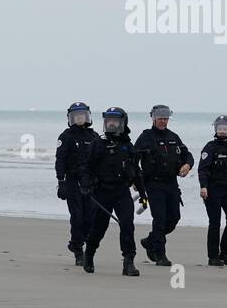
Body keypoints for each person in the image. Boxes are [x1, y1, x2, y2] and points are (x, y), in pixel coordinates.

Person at [81, 106, 141, 276]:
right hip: (102, 192)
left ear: (123, 123)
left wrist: (143, 193)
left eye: (115, 121)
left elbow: (136, 172)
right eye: (109, 122)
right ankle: (89, 254)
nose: (112, 124)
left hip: (122, 192)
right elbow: (87, 168)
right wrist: (86, 185)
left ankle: (128, 262)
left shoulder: (128, 146)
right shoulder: (97, 144)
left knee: (127, 224)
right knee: (99, 227)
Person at [134, 105, 194, 267]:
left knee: (174, 218)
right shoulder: (145, 136)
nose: (163, 121)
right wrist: (136, 179)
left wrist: (187, 165)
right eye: (160, 118)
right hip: (153, 184)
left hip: (171, 184)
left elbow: (187, 154)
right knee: (159, 219)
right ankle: (160, 254)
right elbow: (133, 159)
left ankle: (150, 240)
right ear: (153, 118)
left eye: (165, 118)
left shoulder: (173, 136)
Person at [55, 102, 99, 266]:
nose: (80, 119)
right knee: (77, 217)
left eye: (83, 115)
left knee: (90, 218)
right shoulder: (65, 136)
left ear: (87, 117)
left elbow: (100, 161)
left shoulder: (94, 136)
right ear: (71, 118)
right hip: (73, 182)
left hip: (91, 184)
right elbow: (60, 160)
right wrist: (61, 181)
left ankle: (80, 245)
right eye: (77, 116)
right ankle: (78, 249)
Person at [198, 115, 227, 267]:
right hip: (212, 190)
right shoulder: (209, 147)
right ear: (215, 129)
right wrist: (203, 186)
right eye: (220, 128)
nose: (222, 131)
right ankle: (213, 256)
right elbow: (202, 169)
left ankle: (225, 253)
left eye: (225, 128)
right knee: (215, 223)